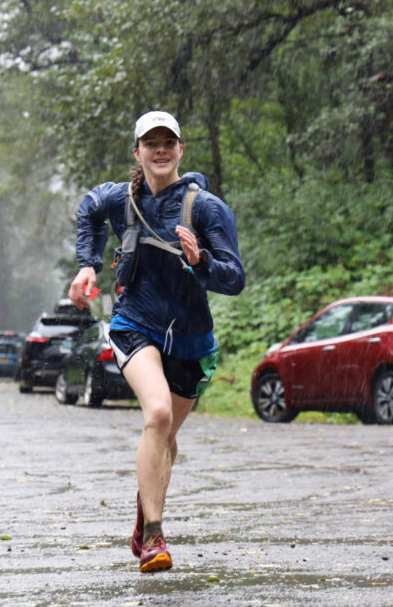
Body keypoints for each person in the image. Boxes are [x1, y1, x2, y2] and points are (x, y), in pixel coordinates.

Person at [68, 110, 245, 573]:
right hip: (135, 322)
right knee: (159, 414)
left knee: (165, 440)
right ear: (138, 152)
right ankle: (153, 536)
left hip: (191, 340)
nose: (161, 149)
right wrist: (88, 263)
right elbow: (88, 206)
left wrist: (200, 259)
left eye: (169, 142)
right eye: (152, 143)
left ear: (180, 150)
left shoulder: (206, 208)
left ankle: (145, 508)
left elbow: (235, 279)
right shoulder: (121, 199)